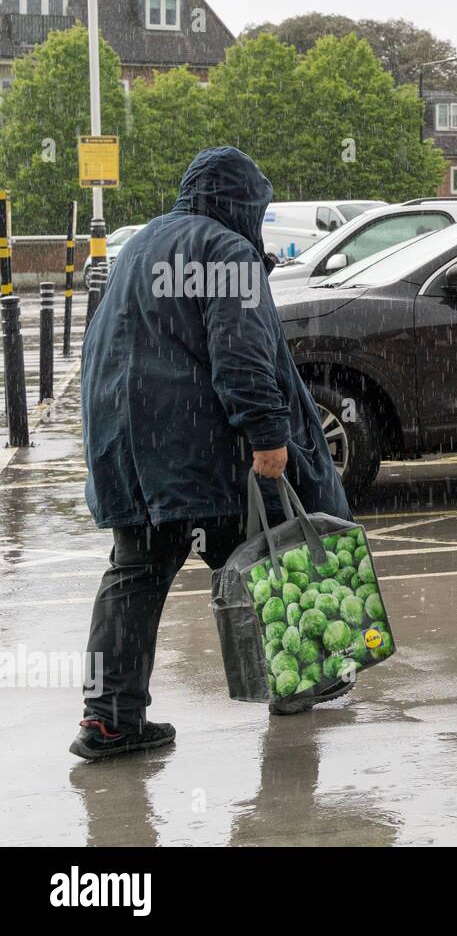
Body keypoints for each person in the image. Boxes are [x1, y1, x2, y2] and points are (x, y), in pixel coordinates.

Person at [72, 147, 351, 760]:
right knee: (265, 557)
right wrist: (268, 435)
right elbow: (241, 354)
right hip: (194, 451)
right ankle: (296, 680)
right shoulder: (228, 251)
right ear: (241, 203)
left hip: (126, 447)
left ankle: (109, 720)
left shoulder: (143, 243)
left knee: (134, 578)